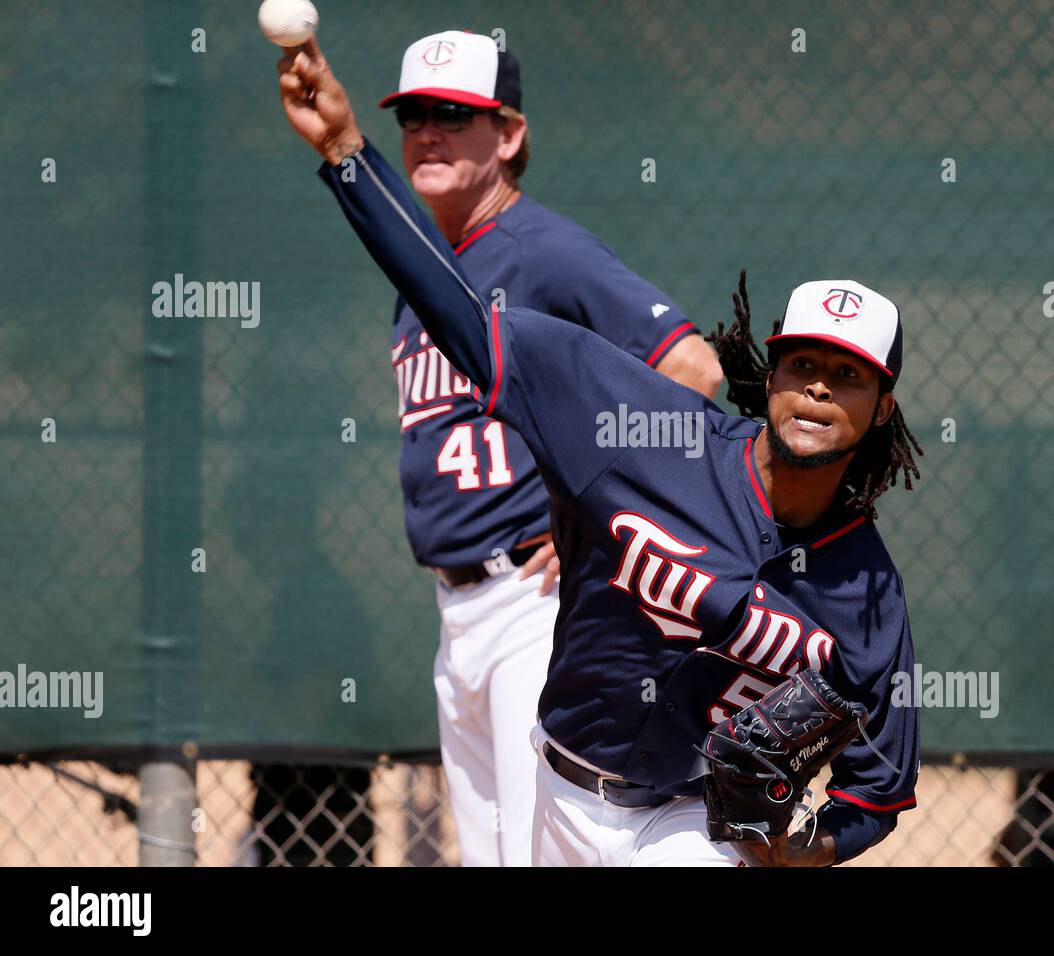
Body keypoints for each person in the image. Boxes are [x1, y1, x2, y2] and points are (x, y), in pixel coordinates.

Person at [277, 38, 923, 866]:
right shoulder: (648, 448)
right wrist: (343, 153)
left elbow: (876, 788)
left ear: (883, 408)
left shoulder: (867, 592)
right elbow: (465, 321)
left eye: (849, 376)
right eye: (803, 365)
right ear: (769, 377)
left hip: (693, 824)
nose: (821, 389)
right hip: (562, 788)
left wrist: (814, 849)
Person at [359, 31, 721, 866]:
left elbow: (692, 373)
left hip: (536, 605)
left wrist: (606, 512)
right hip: (458, 611)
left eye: (455, 115)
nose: (428, 133)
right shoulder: (425, 274)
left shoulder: (545, 252)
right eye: (415, 116)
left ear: (509, 136)